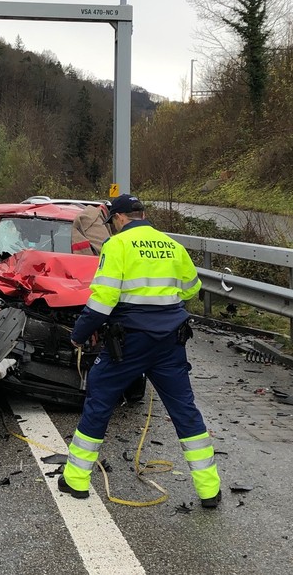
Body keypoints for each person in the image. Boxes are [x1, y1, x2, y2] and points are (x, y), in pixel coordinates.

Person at [59, 194, 222, 508]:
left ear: (118, 219)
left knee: (100, 399)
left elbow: (102, 302)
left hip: (128, 342)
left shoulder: (117, 246)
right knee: (185, 411)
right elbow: (191, 288)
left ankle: (76, 480)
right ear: (141, 214)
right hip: (170, 342)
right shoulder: (172, 245)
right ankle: (209, 490)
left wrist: (78, 335)